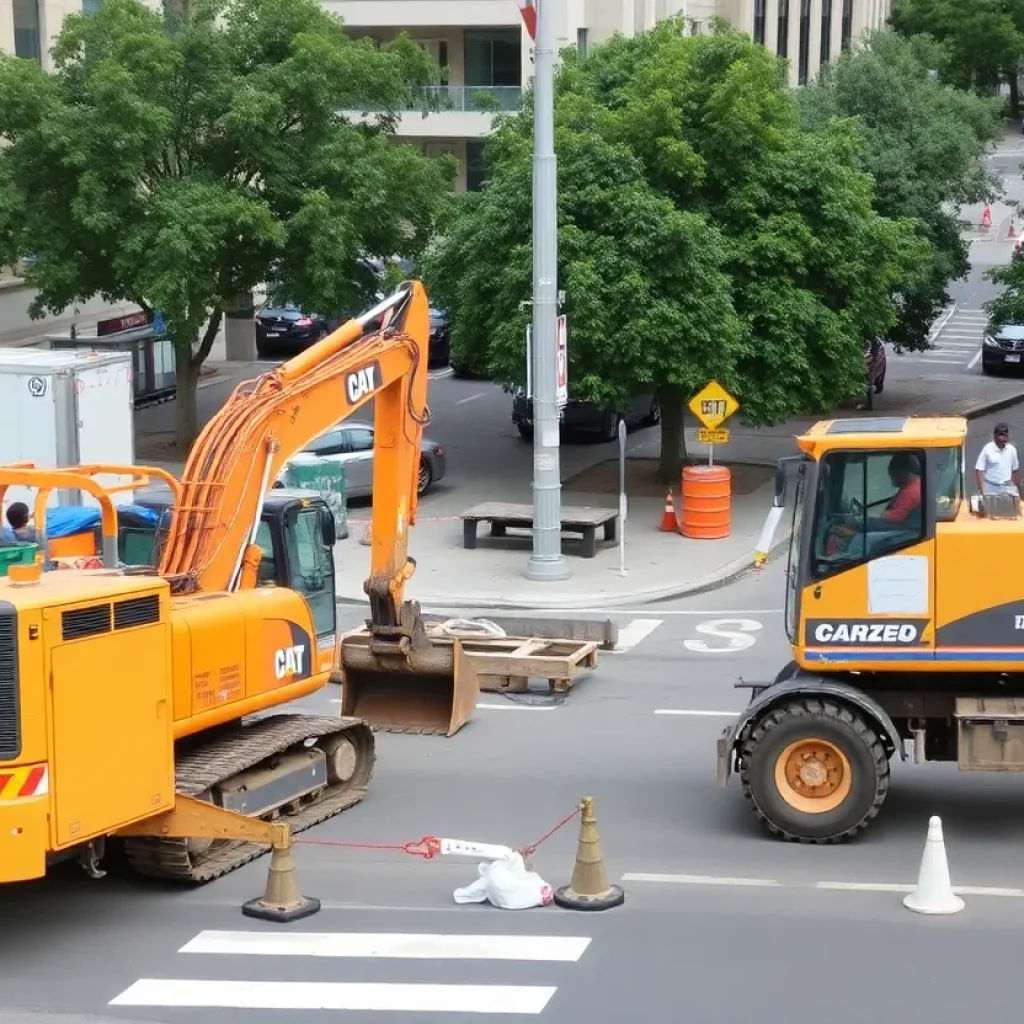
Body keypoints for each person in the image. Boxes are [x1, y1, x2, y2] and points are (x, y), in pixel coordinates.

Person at [975, 423, 1020, 496]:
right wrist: (982, 488)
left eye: (1006, 434)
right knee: (990, 506)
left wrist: (1015, 487)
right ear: (995, 435)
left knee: (1011, 505)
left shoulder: (1012, 450)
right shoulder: (987, 449)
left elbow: (1015, 470)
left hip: (1007, 485)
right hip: (990, 486)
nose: (1004, 436)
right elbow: (979, 470)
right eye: (1001, 434)